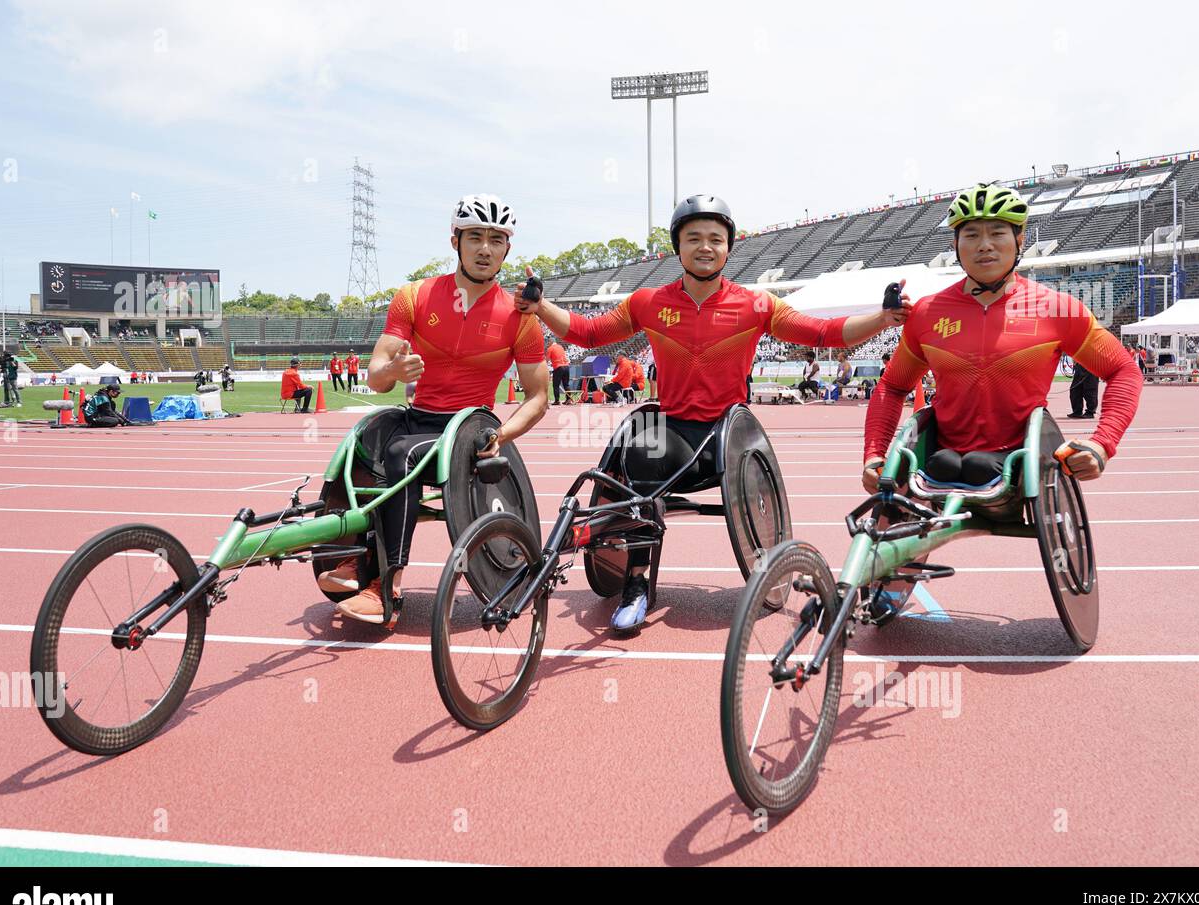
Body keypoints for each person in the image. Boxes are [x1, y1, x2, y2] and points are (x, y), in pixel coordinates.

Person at [518, 193, 909, 631]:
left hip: (727, 439)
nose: (705, 247)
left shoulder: (756, 304)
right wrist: (540, 307)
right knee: (643, 449)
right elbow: (589, 334)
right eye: (694, 238)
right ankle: (637, 582)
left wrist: (881, 318)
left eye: (715, 239)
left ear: (728, 246)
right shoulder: (648, 302)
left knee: (667, 448)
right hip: (672, 431)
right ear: (677, 246)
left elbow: (822, 332)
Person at [317, 193, 549, 626]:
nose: (485, 248)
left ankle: (386, 586)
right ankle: (356, 555)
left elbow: (539, 397)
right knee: (363, 447)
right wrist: (395, 368)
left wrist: (503, 435)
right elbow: (375, 376)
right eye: (475, 237)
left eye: (496, 240)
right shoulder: (414, 296)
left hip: (469, 431)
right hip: (417, 417)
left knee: (400, 454)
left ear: (507, 250)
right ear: (455, 241)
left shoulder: (521, 318)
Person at [862, 183, 1142, 493]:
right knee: (881, 523)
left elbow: (1123, 370)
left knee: (980, 466)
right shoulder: (926, 312)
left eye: (997, 233)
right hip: (938, 462)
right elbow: (893, 385)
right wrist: (874, 455)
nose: (984, 245)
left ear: (1019, 240)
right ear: (955, 244)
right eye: (971, 235)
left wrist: (1102, 444)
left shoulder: (1058, 308)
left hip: (1019, 461)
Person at [547, 338, 571, 404]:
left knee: (556, 385)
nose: (548, 344)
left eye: (548, 342)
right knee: (566, 384)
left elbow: (547, 360)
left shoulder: (550, 348)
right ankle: (568, 400)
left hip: (558, 367)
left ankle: (557, 400)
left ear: (551, 342)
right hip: (566, 366)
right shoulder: (560, 347)